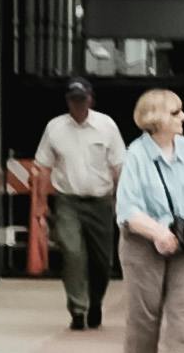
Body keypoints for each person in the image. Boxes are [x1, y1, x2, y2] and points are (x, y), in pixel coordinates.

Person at [117, 82, 184, 353]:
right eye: (175, 112)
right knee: (145, 312)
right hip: (143, 241)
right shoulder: (136, 154)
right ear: (156, 118)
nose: (183, 117)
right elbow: (127, 208)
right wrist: (158, 232)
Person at [36, 77, 125, 329]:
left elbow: (119, 166)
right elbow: (43, 167)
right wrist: (41, 203)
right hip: (68, 201)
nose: (78, 105)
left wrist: (122, 201)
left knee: (101, 260)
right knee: (72, 253)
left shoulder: (106, 126)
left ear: (90, 100)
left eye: (82, 99)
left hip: (100, 201)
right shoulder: (55, 128)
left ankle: (95, 302)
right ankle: (77, 309)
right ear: (67, 101)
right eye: (73, 100)